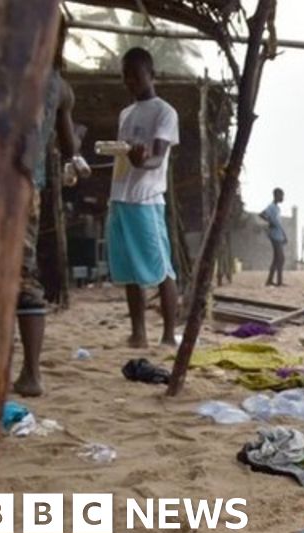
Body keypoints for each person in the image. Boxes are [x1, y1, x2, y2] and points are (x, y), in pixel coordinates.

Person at [14, 18, 90, 397]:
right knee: (22, 275)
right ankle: (30, 373)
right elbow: (69, 145)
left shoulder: (1, 66)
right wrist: (76, 149)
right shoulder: (59, 87)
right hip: (27, 185)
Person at [107, 47, 181, 348]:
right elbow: (124, 154)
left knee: (162, 268)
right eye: (126, 76)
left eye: (136, 76)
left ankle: (168, 335)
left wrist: (143, 161)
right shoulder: (126, 114)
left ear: (152, 75)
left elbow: (158, 157)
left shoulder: (165, 112)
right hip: (120, 198)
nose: (130, 82)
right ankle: (138, 333)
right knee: (129, 270)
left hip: (146, 200)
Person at [260, 187, 287, 286]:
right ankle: (279, 281)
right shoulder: (271, 206)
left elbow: (279, 223)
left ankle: (270, 281)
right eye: (281, 195)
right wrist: (270, 222)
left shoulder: (277, 208)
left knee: (277, 259)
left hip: (279, 234)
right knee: (281, 258)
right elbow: (262, 214)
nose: (283, 198)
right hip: (274, 235)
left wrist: (284, 235)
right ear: (276, 196)